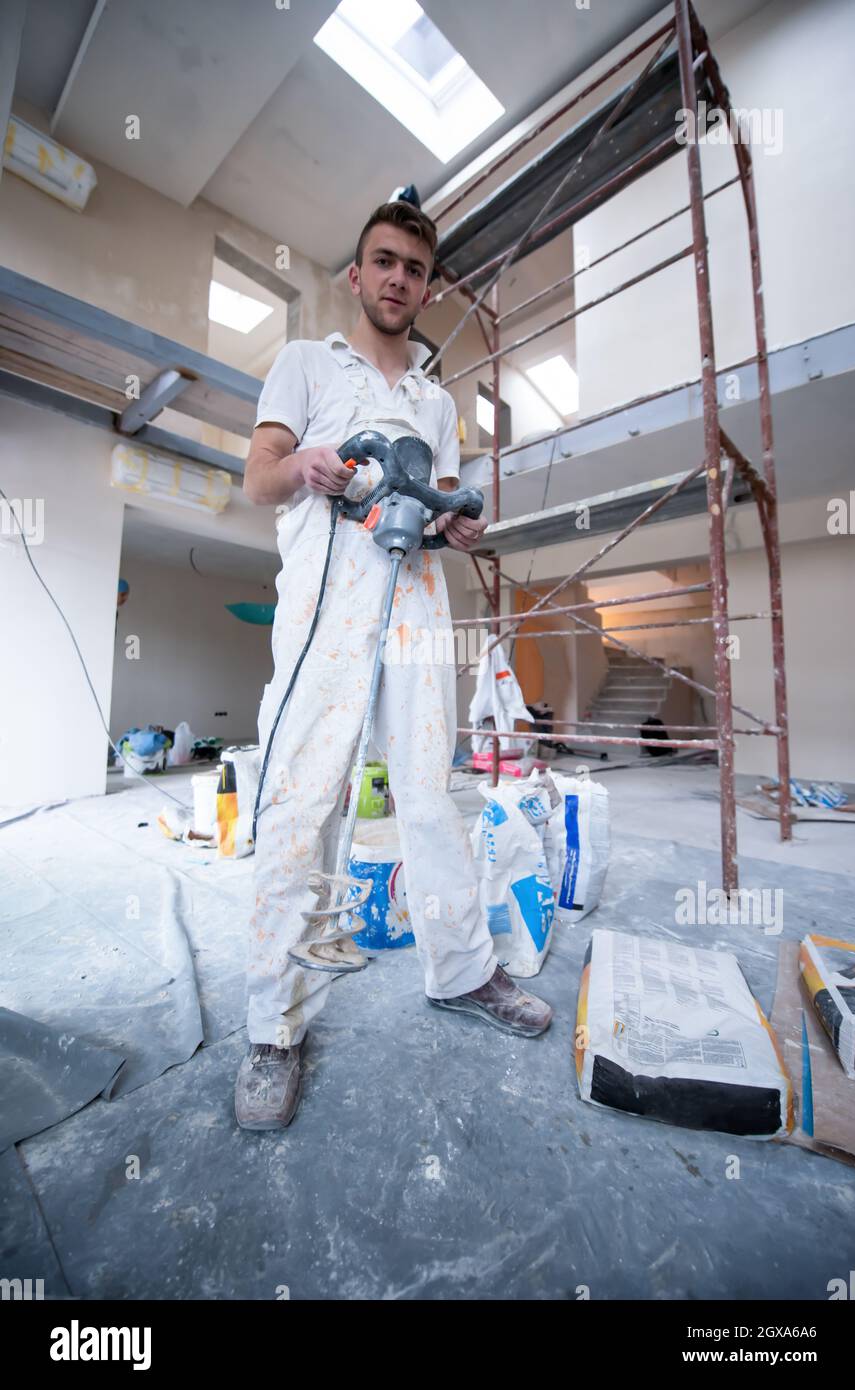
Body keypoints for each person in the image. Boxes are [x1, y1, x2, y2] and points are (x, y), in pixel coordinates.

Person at [236, 198, 553, 1131]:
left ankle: (461, 972)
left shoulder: (435, 401)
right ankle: (272, 1027)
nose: (396, 280)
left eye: (413, 268)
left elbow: (441, 515)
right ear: (356, 274)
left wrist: (456, 524)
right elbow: (256, 478)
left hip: (412, 602)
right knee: (301, 799)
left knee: (428, 791)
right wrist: (307, 468)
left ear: (426, 284)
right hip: (328, 602)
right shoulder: (304, 364)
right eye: (382, 262)